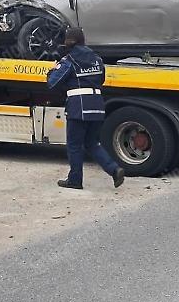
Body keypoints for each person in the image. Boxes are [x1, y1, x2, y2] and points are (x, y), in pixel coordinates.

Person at [46, 28, 125, 190]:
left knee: (74, 145)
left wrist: (53, 69)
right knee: (92, 143)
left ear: (68, 41)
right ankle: (114, 170)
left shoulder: (69, 59)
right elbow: (101, 79)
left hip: (78, 107)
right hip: (97, 105)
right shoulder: (97, 59)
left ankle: (75, 180)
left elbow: (53, 83)